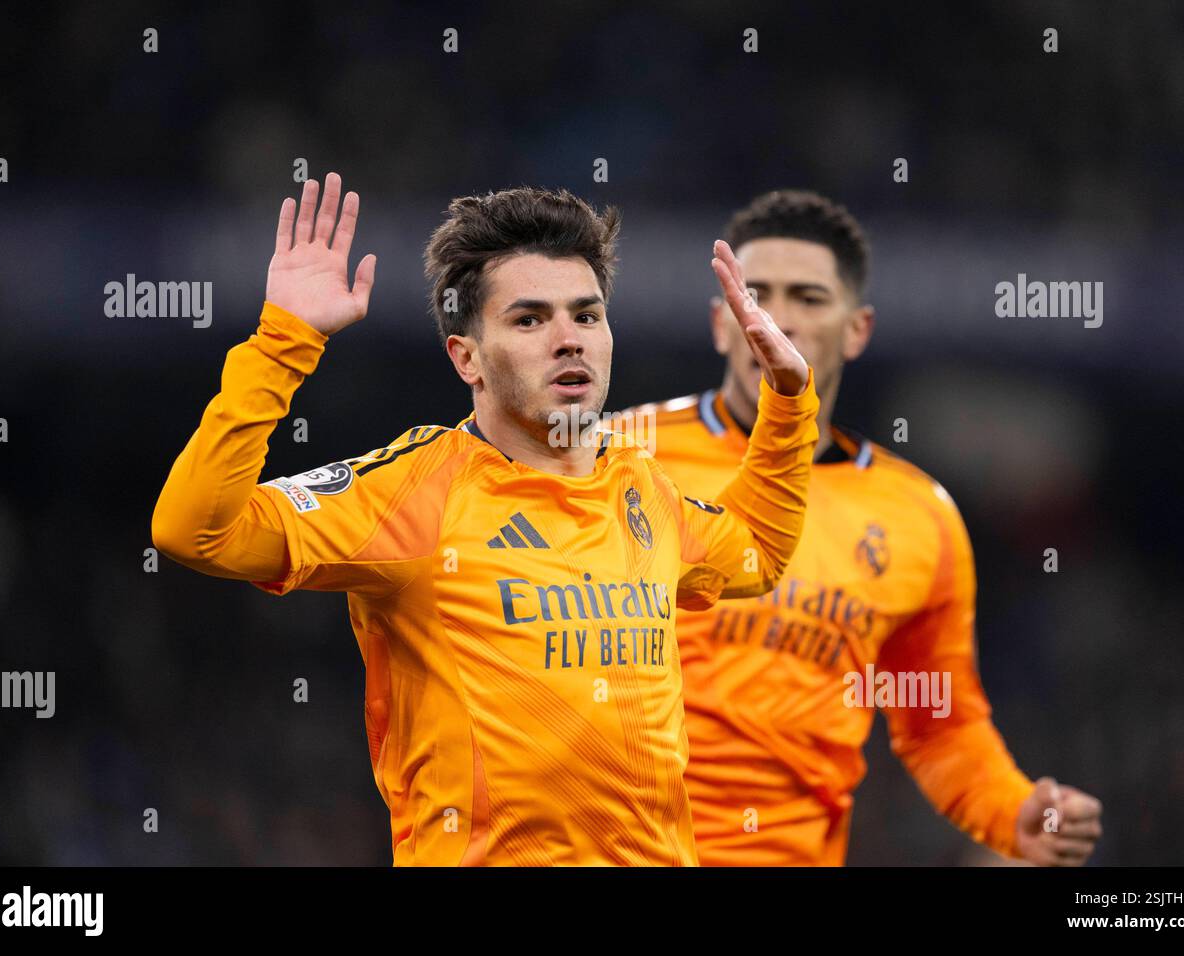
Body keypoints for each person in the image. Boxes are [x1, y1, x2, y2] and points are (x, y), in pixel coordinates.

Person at [150, 173, 820, 865]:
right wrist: (282, 345)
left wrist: (789, 401)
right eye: (529, 319)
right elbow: (196, 529)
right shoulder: (412, 493)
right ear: (465, 356)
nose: (569, 340)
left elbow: (757, 553)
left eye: (586, 315)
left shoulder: (643, 490)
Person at [626, 190, 1103, 866]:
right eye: (754, 295)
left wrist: (1010, 813)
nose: (779, 318)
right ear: (720, 322)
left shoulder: (918, 515)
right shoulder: (615, 458)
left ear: (859, 329)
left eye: (809, 298)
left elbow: (939, 724)